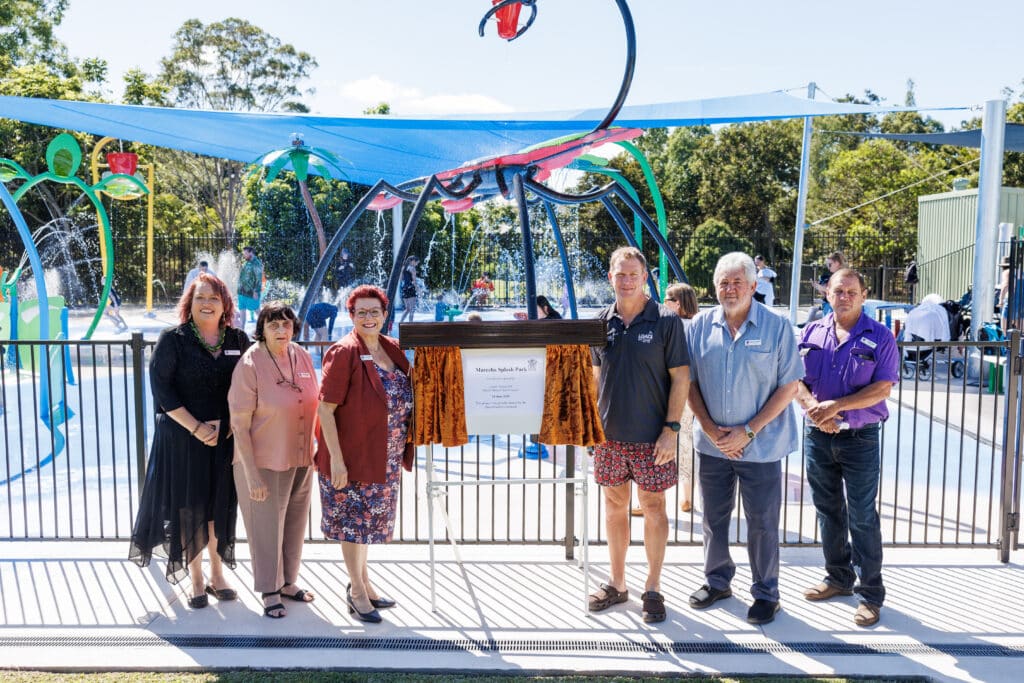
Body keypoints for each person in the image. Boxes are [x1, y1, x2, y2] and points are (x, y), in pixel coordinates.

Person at [686, 252, 803, 625]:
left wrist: (749, 430)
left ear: (754, 285)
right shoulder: (699, 327)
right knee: (713, 519)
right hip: (713, 446)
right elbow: (688, 382)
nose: (730, 289)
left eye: (738, 282)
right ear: (715, 287)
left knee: (763, 523)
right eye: (724, 282)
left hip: (762, 447)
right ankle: (717, 581)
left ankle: (767, 593)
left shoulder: (777, 327)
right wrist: (708, 427)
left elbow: (789, 386)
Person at [129, 273, 250, 608]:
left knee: (219, 508)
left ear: (225, 304)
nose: (207, 304)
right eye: (200, 298)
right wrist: (197, 428)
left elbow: (249, 387)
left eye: (214, 298)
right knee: (189, 507)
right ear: (189, 303)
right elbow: (163, 391)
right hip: (183, 439)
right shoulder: (174, 339)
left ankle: (217, 575)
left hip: (224, 440)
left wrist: (229, 425)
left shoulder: (238, 339)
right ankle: (196, 578)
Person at [588, 246, 690, 624]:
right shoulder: (601, 322)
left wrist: (671, 430)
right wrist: (591, 428)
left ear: (645, 278)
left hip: (653, 438)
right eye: (620, 274)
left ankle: (653, 586)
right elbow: (593, 378)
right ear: (610, 277)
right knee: (614, 508)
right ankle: (617, 583)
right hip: (610, 438)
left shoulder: (666, 320)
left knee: (654, 508)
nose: (627, 281)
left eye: (633, 274)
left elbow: (681, 377)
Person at [796, 268, 899, 628]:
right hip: (818, 436)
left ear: (863, 295)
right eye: (838, 291)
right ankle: (838, 577)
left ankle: (870, 594)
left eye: (852, 292)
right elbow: (795, 381)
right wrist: (815, 409)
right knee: (827, 510)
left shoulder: (880, 336)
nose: (844, 297)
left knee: (862, 515)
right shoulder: (811, 332)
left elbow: (882, 388)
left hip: (860, 438)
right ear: (827, 294)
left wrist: (836, 407)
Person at [316, 285, 413, 624]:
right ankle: (356, 591)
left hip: (384, 457)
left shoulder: (392, 348)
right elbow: (325, 409)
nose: (368, 317)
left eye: (374, 311)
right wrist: (337, 460)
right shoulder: (344, 352)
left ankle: (365, 583)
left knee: (367, 526)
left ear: (385, 314)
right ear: (352, 316)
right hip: (352, 457)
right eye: (361, 312)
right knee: (353, 526)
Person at [228, 302, 319, 619]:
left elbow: (315, 402)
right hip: (263, 461)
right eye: (273, 325)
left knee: (294, 524)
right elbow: (239, 423)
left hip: (301, 458)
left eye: (286, 324)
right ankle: (270, 589)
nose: (281, 330)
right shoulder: (250, 363)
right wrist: (251, 474)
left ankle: (288, 582)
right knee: (266, 528)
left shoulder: (301, 356)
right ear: (262, 329)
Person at [808, 252, 846, 322]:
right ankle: (806, 326)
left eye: (830, 264)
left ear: (837, 263)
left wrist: (821, 288)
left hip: (837, 309)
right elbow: (827, 295)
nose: (828, 267)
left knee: (814, 317)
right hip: (831, 307)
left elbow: (837, 292)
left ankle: (806, 326)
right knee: (813, 314)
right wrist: (818, 288)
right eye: (827, 265)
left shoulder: (842, 275)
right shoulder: (835, 276)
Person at [238, 247, 264, 323]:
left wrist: (256, 291)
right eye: (243, 254)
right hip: (242, 292)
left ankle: (266, 324)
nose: (244, 255)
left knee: (257, 310)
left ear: (251, 252)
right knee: (242, 311)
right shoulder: (246, 262)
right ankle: (241, 329)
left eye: (245, 253)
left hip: (251, 292)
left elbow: (259, 278)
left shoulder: (256, 263)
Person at [398, 255, 419, 324]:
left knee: (407, 309)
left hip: (404, 289)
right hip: (411, 289)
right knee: (412, 309)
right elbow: (414, 281)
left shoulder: (403, 268)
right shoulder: (412, 268)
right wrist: (418, 290)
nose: (416, 265)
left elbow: (401, 279)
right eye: (416, 263)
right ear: (413, 261)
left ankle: (400, 323)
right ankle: (411, 325)